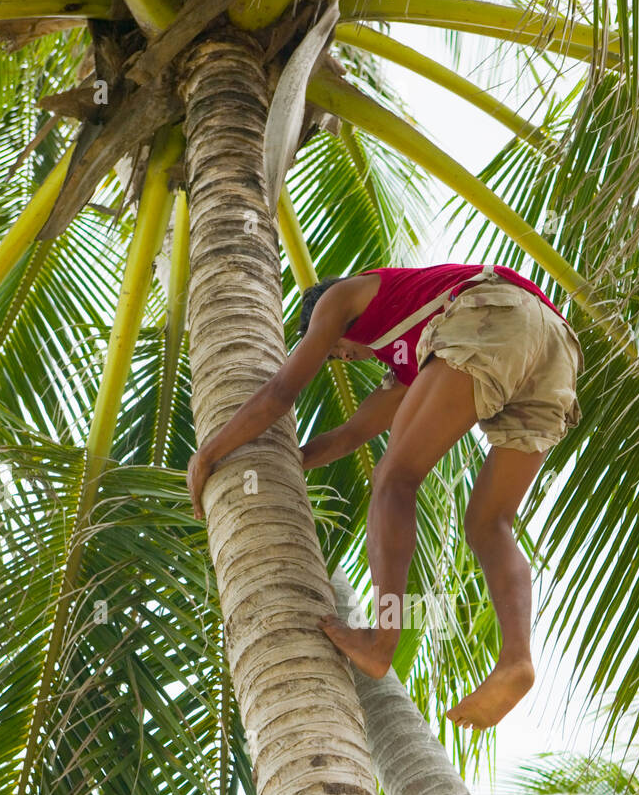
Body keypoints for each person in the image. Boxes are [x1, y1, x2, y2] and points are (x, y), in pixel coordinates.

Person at [186, 262, 584, 729]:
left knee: (394, 478)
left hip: (494, 315)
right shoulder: (411, 363)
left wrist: (208, 454)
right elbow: (351, 435)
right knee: (489, 523)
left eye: (331, 349)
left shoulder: (340, 297)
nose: (339, 356)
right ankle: (517, 659)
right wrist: (280, 462)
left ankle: (382, 638)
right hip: (555, 348)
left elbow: (280, 390)